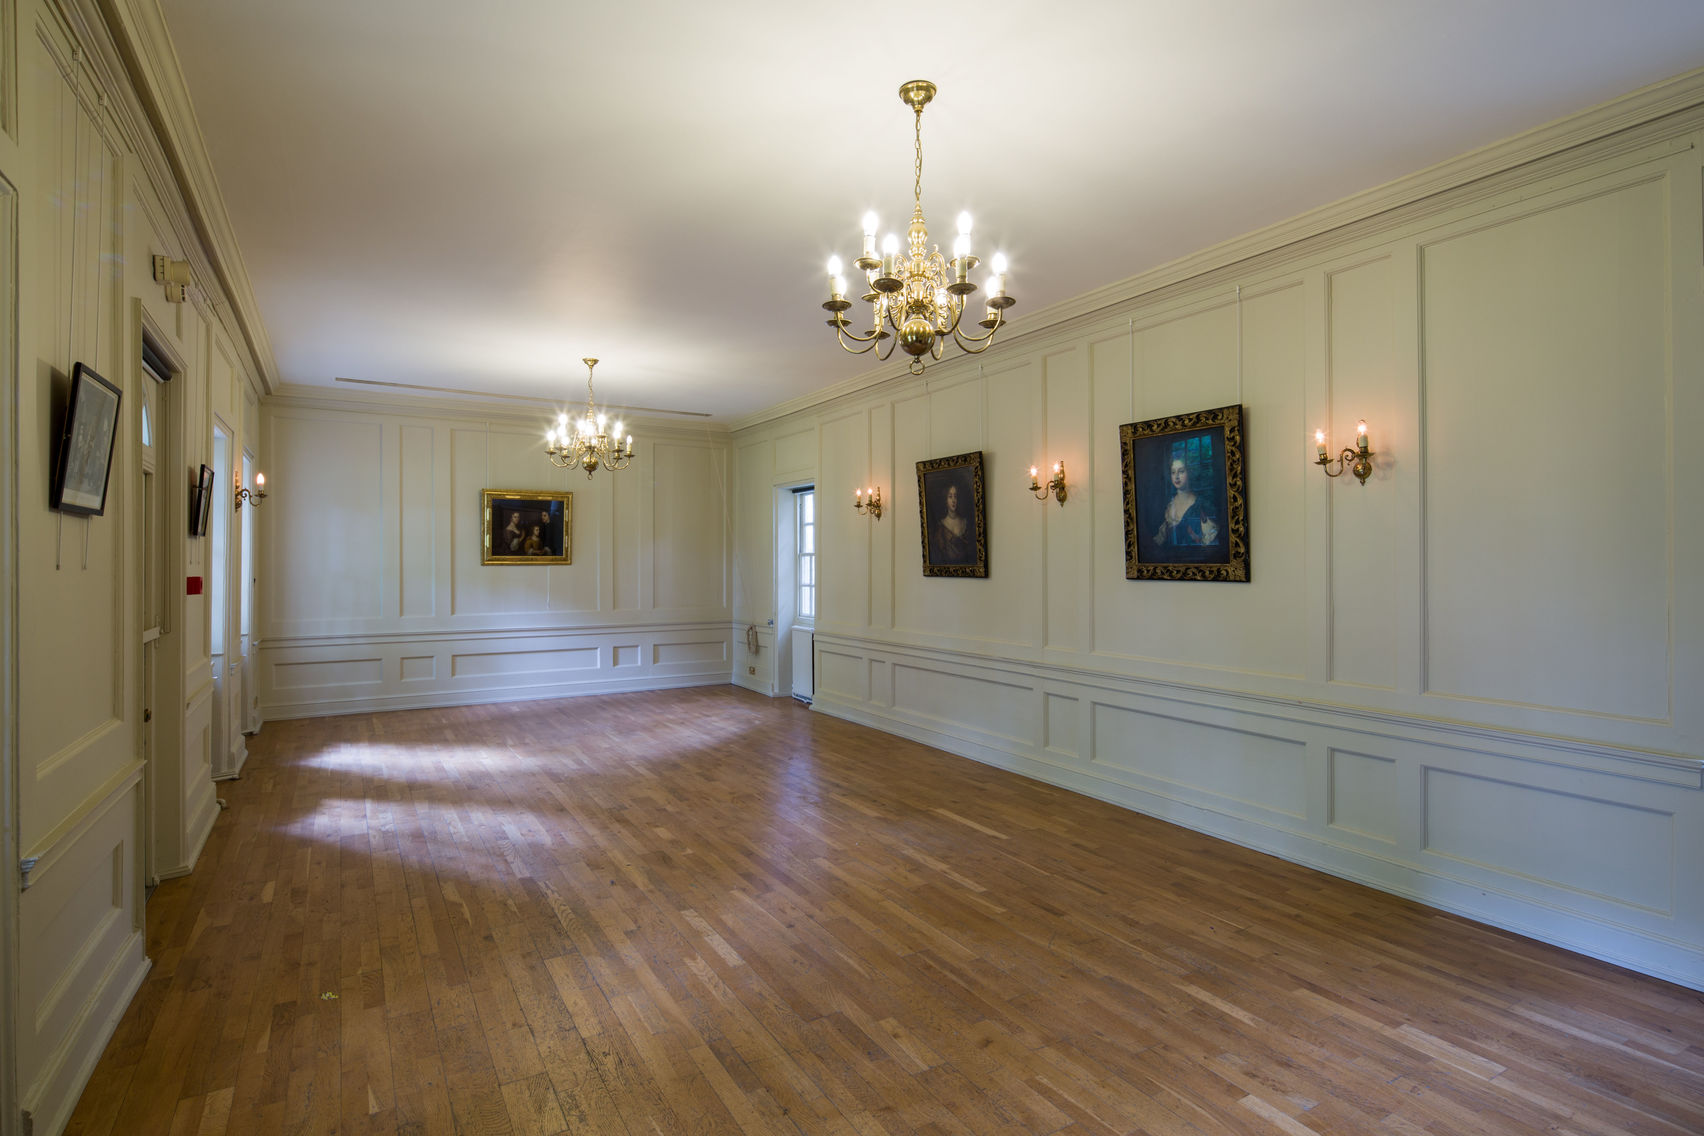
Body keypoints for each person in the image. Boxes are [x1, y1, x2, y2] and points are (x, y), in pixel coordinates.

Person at [1153, 458, 1219, 547]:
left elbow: (1209, 541)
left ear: (1189, 472)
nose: (1176, 476)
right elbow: (1160, 540)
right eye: (1173, 472)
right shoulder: (1169, 506)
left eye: (1181, 471)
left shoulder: (1200, 504)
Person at [928, 480, 976, 564]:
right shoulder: (941, 527)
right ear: (945, 500)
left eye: (955, 496)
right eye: (950, 496)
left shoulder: (965, 522)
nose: (953, 500)